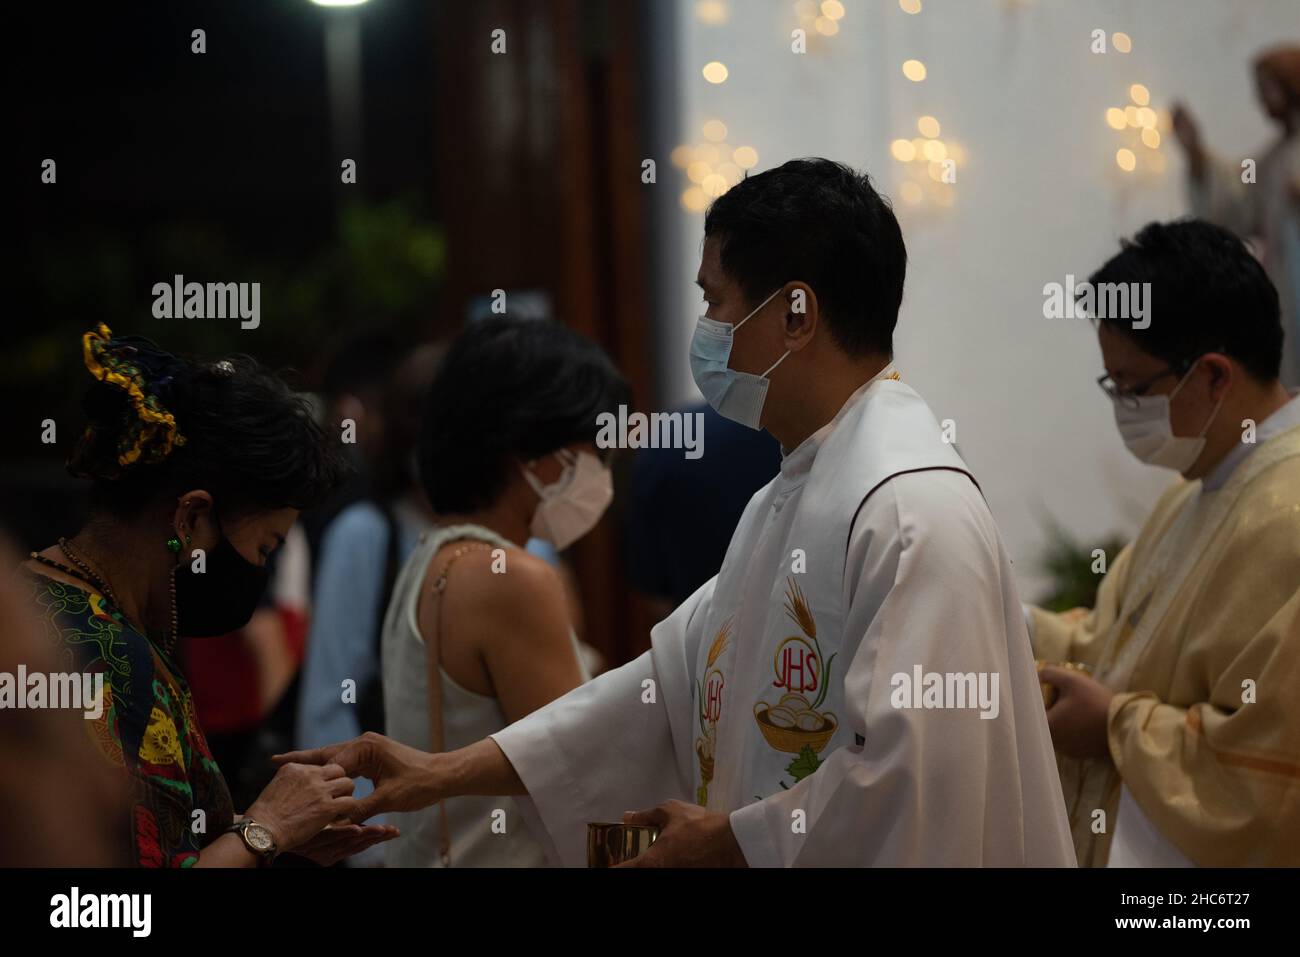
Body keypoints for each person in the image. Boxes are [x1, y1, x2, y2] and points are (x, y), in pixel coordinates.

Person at [280, 159, 1074, 867]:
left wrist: (732, 838)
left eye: (715, 300)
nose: (708, 330)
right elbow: (661, 687)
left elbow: (917, 782)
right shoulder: (785, 496)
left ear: (797, 313)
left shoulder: (909, 506)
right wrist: (441, 772)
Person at [20, 324, 395, 867]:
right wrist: (264, 830)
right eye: (265, 549)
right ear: (192, 517)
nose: (258, 572)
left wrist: (274, 838)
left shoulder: (39, 600)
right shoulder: (112, 661)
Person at [1026, 220, 1300, 867]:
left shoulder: (1288, 513)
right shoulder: (1198, 484)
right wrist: (1000, 619)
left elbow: (1267, 770)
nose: (1121, 407)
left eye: (1133, 387)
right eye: (1111, 386)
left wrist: (1116, 725)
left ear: (1211, 376)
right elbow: (1113, 646)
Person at [372, 317, 628, 867]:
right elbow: (581, 784)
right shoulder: (512, 577)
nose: (602, 470)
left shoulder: (432, 556)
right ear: (530, 449)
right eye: (595, 447)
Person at [1173, 45, 1300, 387]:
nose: (1260, 100)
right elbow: (1235, 207)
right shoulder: (1272, 161)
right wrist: (1197, 155)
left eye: (1267, 88)